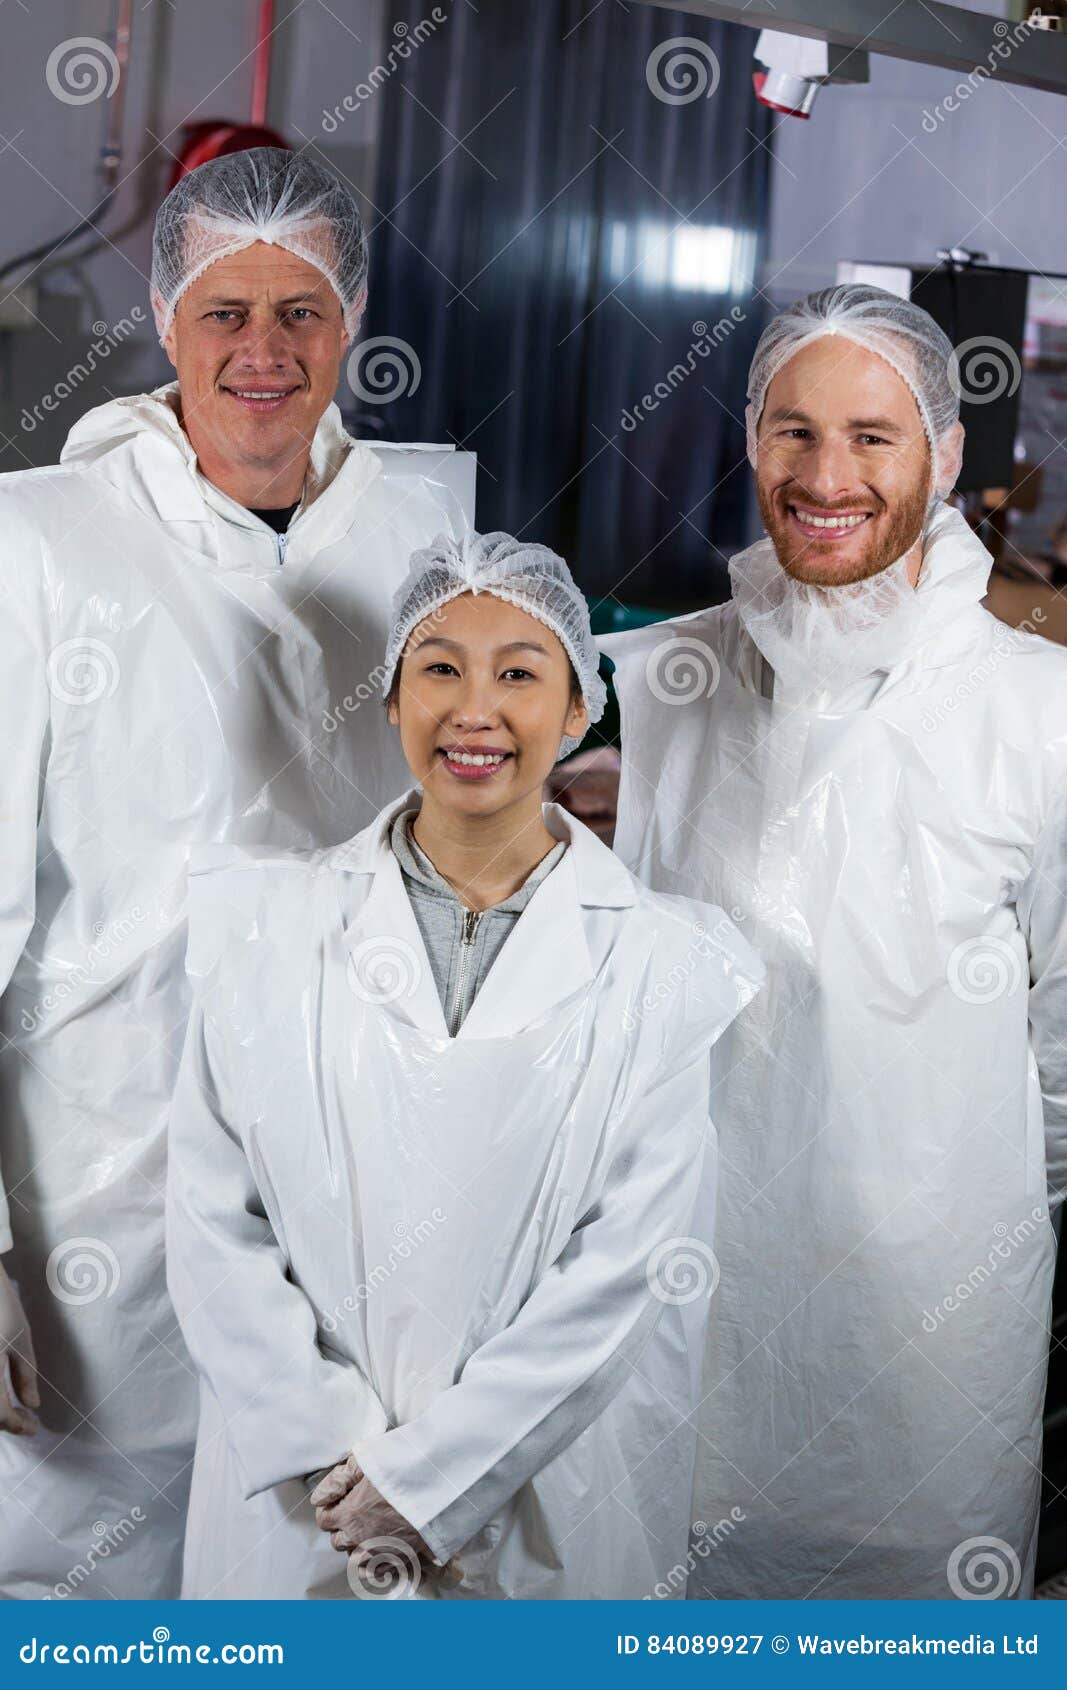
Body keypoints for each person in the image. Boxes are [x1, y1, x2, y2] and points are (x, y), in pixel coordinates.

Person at [0, 148, 469, 1599]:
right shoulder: (36, 542)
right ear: (164, 321)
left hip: (351, 1206)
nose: (261, 352)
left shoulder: (418, 532)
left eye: (299, 312)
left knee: (306, 1593)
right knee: (75, 1587)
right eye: (222, 313)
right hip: (98, 1203)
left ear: (352, 321)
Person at [166, 530, 763, 1600]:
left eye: (520, 673)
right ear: (391, 699)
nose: (474, 709)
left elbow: (627, 1267)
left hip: (542, 1515)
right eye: (439, 667)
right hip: (307, 1510)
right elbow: (213, 1222)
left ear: (579, 709)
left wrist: (431, 1479)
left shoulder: (665, 965)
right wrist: (334, 1452)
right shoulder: (260, 927)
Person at [601, 284, 1067, 1601]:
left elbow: (1060, 1061)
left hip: (925, 1332)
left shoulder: (1035, 714)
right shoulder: (670, 685)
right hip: (687, 1314)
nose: (823, 475)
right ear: (748, 443)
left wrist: (957, 1205)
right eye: (790, 431)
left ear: (943, 454)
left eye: (871, 437)